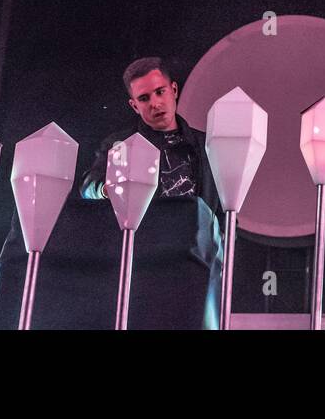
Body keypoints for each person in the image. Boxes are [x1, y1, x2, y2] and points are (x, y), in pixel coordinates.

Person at [80, 56, 224, 327]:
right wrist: (108, 189)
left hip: (198, 261)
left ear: (174, 90)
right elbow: (88, 186)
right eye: (144, 98)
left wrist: (224, 247)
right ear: (134, 105)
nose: (155, 103)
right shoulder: (120, 144)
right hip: (144, 261)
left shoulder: (207, 145)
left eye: (160, 92)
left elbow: (223, 205)